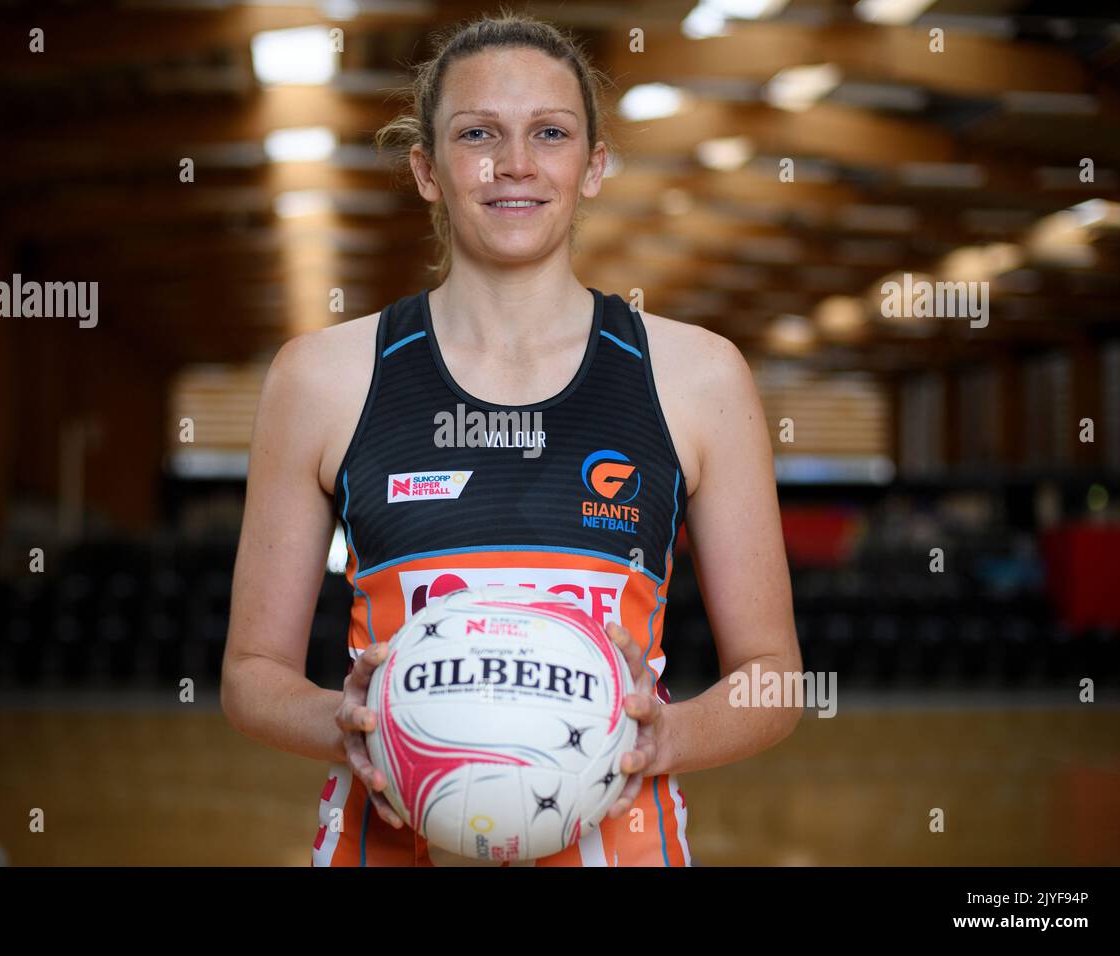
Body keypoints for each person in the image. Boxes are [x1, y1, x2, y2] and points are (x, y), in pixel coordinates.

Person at [221, 11, 802, 866]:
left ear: (594, 166)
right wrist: (343, 720)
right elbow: (249, 674)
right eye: (478, 134)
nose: (515, 164)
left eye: (551, 133)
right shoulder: (321, 378)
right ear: (426, 169)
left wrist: (664, 736)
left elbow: (774, 675)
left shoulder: (699, 376)